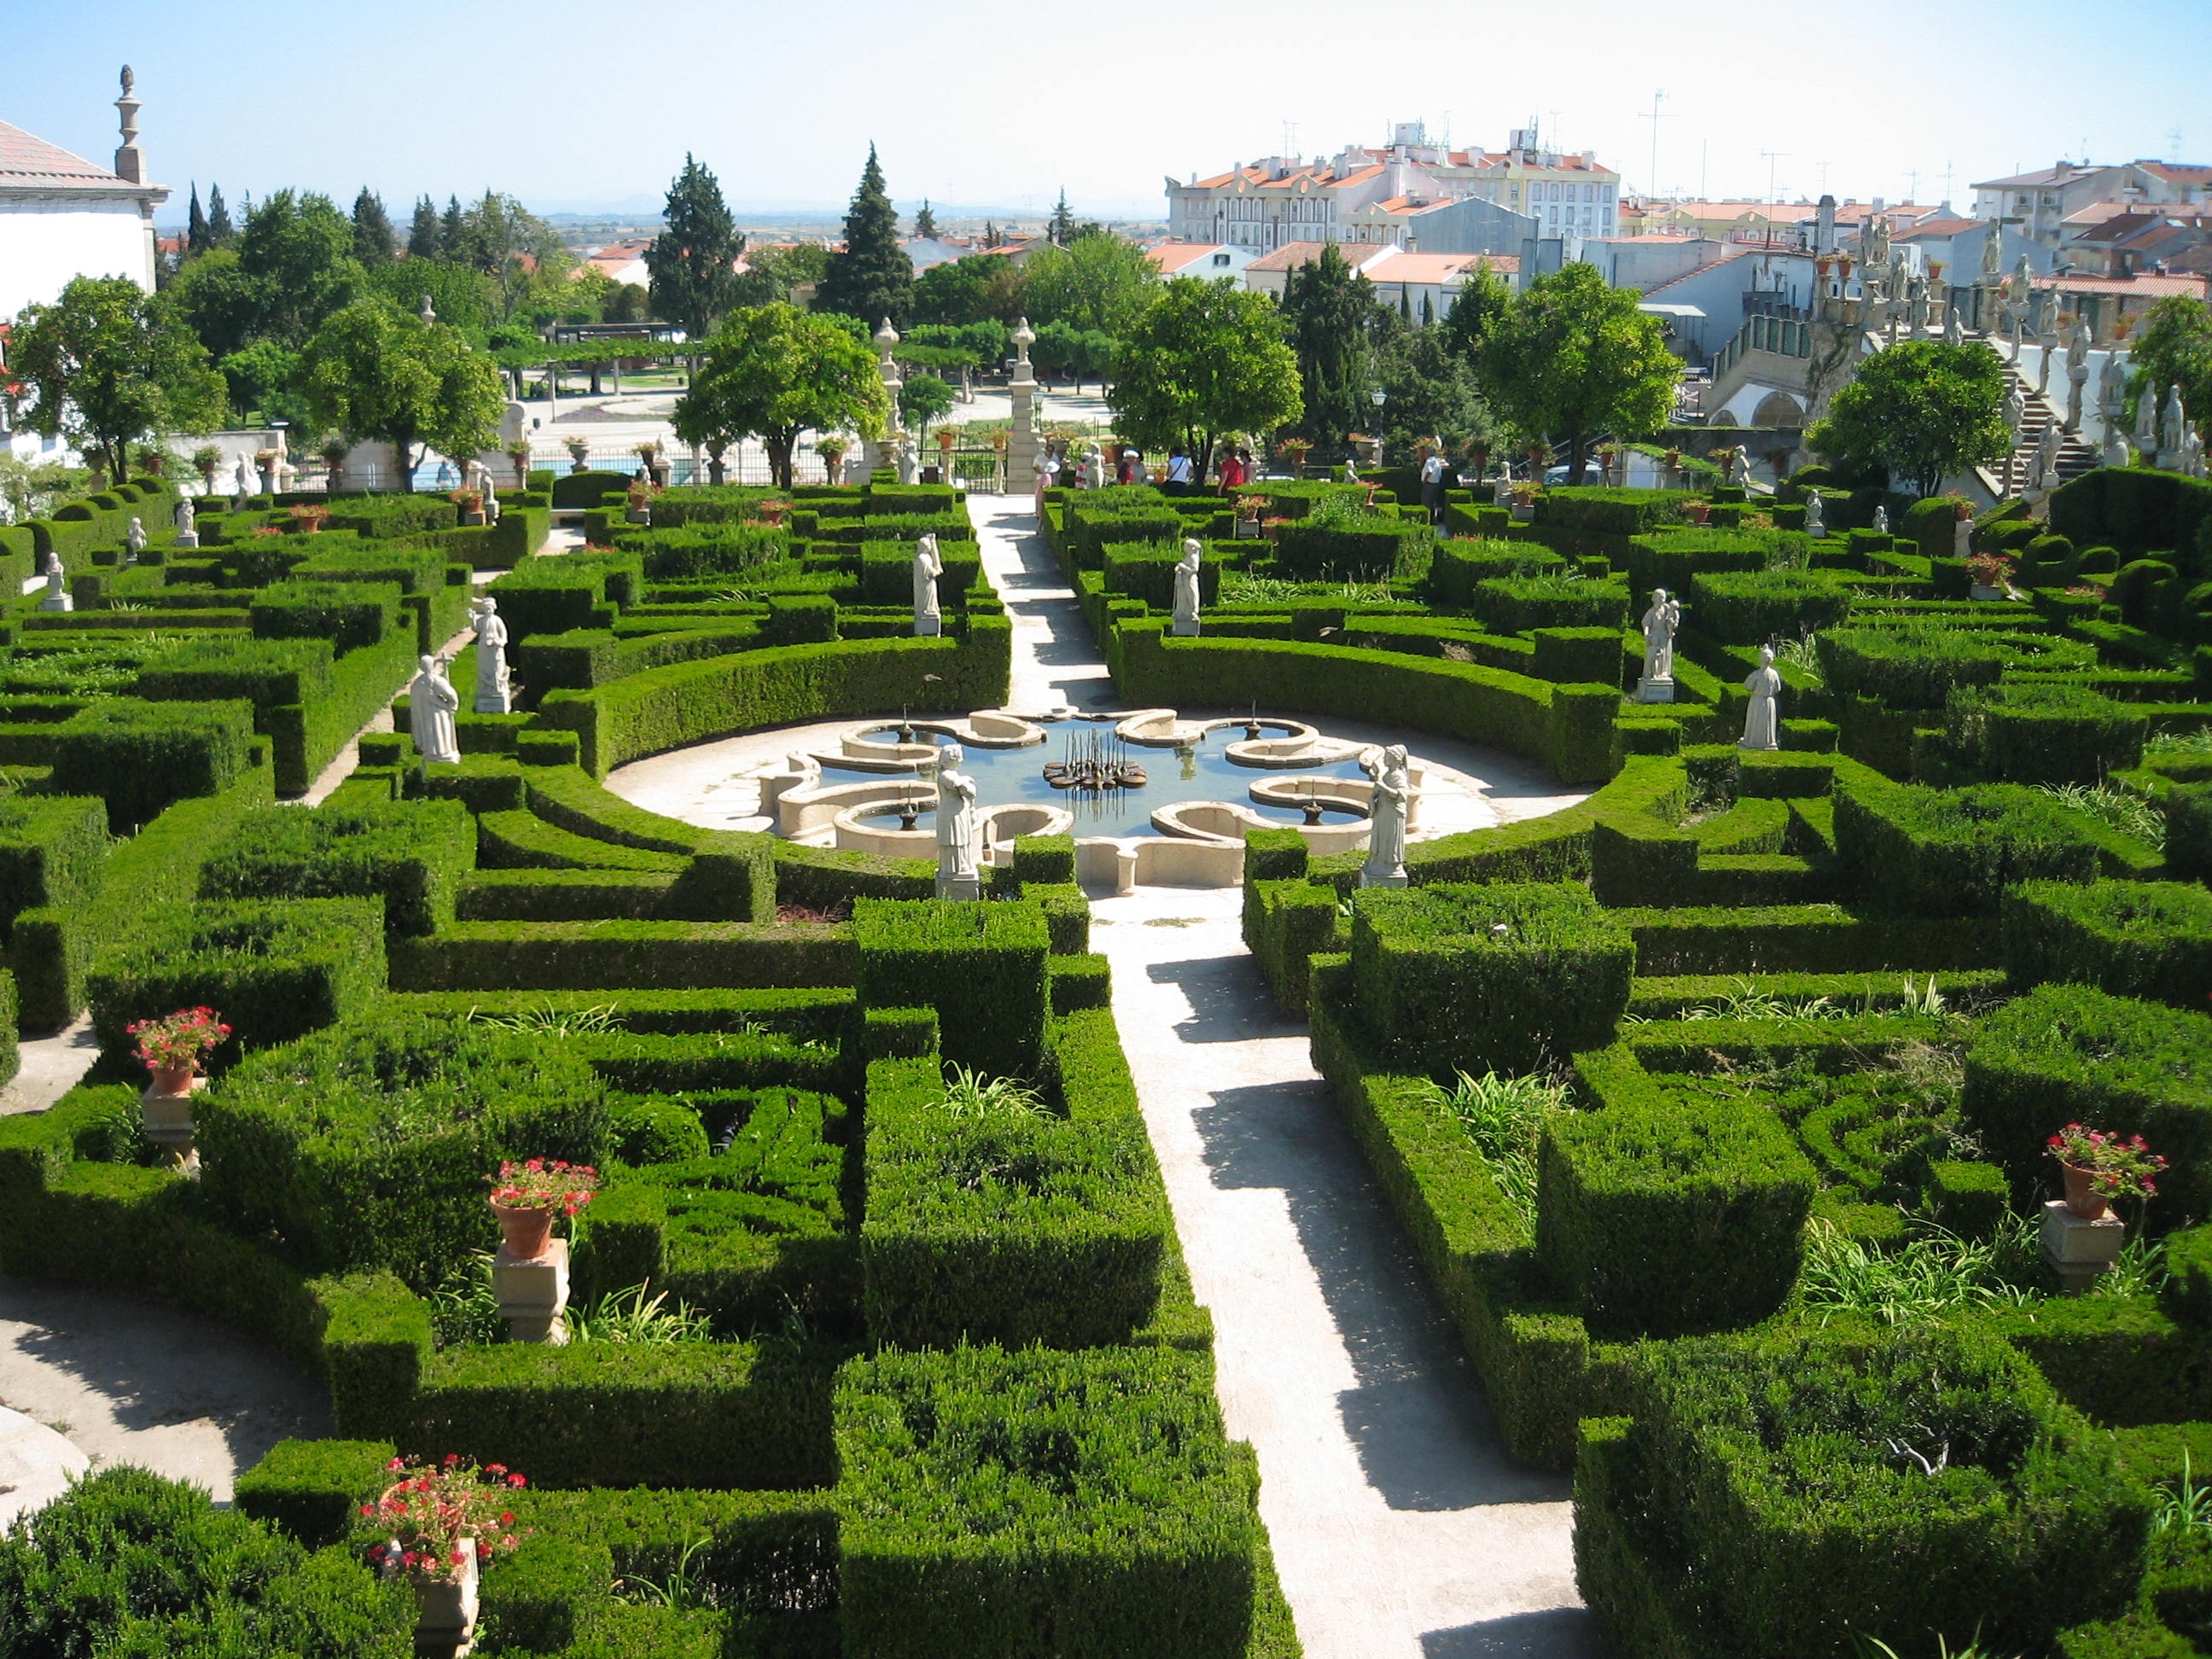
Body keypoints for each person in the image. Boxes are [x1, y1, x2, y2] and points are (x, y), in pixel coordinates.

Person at [1419, 445, 1447, 524]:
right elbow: (1440, 474)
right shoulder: (1436, 461)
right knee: (1433, 503)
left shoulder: (1429, 461)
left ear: (1427, 453)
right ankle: (1433, 519)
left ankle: (1426, 520)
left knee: (1426, 502)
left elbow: (1429, 471)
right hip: (1436, 484)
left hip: (1429, 484)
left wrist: (1424, 481)